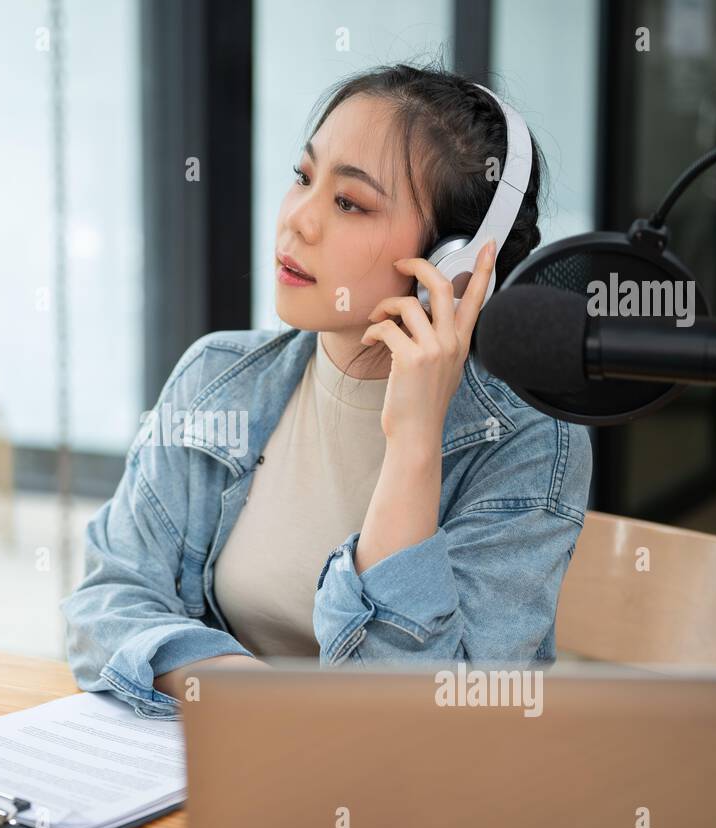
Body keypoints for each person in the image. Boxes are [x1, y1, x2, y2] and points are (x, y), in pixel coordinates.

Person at [61, 63, 593, 718]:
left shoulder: (531, 445)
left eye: (350, 203)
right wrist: (254, 694)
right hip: (224, 772)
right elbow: (104, 603)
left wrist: (414, 445)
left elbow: (425, 720)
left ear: (454, 261)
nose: (298, 222)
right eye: (303, 178)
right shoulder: (219, 379)